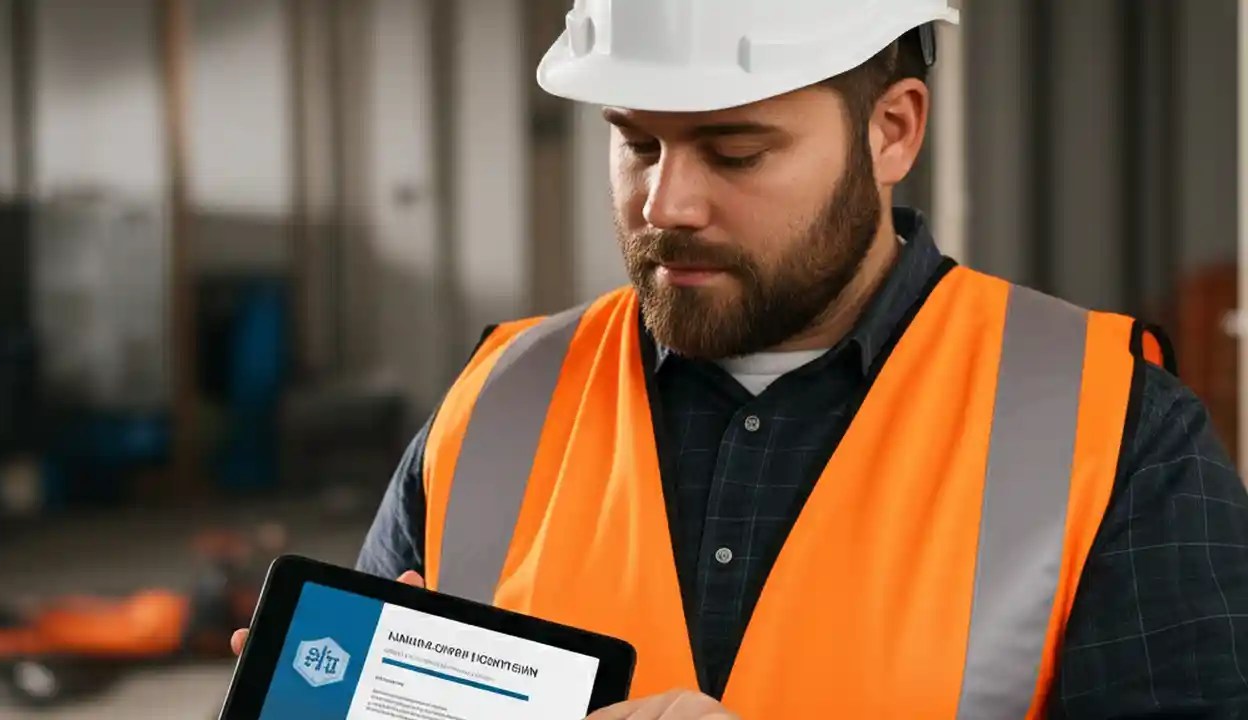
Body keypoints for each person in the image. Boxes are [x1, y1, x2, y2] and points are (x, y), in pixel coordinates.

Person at [235, 0, 1248, 716]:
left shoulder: (1111, 428)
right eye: (635, 142)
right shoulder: (497, 403)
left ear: (890, 130)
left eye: (734, 151)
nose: (664, 206)